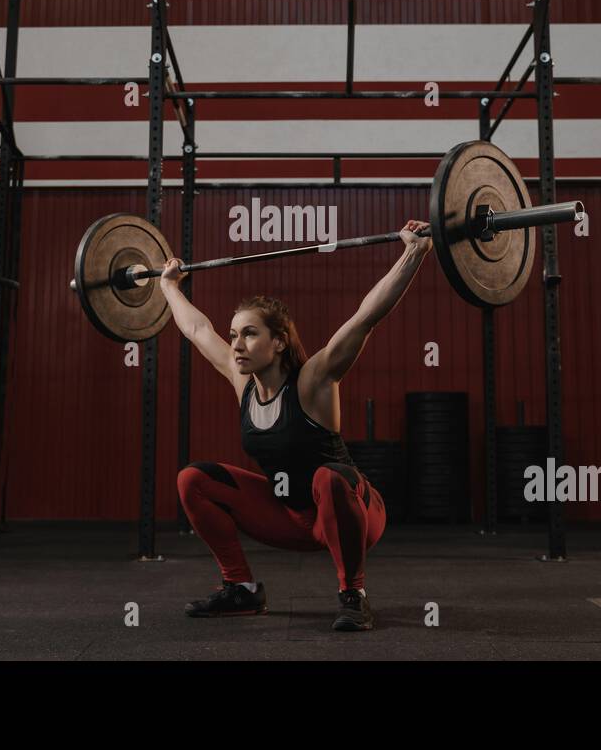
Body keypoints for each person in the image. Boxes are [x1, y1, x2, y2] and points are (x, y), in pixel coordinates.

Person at [163, 219, 434, 631]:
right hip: (291, 519)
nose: (236, 344)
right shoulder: (243, 383)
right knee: (192, 479)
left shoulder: (313, 381)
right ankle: (241, 590)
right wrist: (169, 287)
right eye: (234, 334)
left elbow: (365, 318)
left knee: (328, 476)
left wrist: (413, 254)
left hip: (352, 513)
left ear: (279, 342)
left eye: (249, 334)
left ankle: (353, 595)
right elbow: (198, 329)